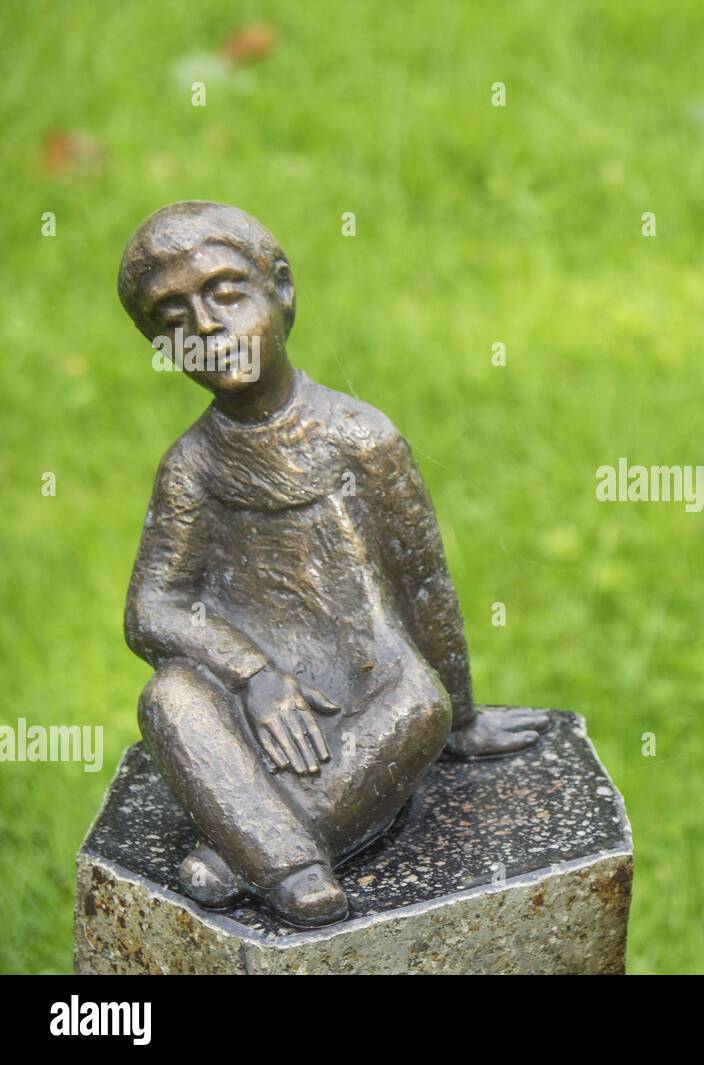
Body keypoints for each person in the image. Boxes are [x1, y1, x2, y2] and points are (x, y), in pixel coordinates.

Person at [118, 202, 548, 925]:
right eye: (173, 318)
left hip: (362, 690)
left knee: (422, 705)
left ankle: (243, 847)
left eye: (225, 292)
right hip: (247, 704)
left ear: (281, 288)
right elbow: (150, 609)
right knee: (167, 700)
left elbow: (424, 582)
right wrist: (249, 673)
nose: (206, 329)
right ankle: (290, 867)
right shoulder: (192, 467)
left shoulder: (360, 438)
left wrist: (464, 716)